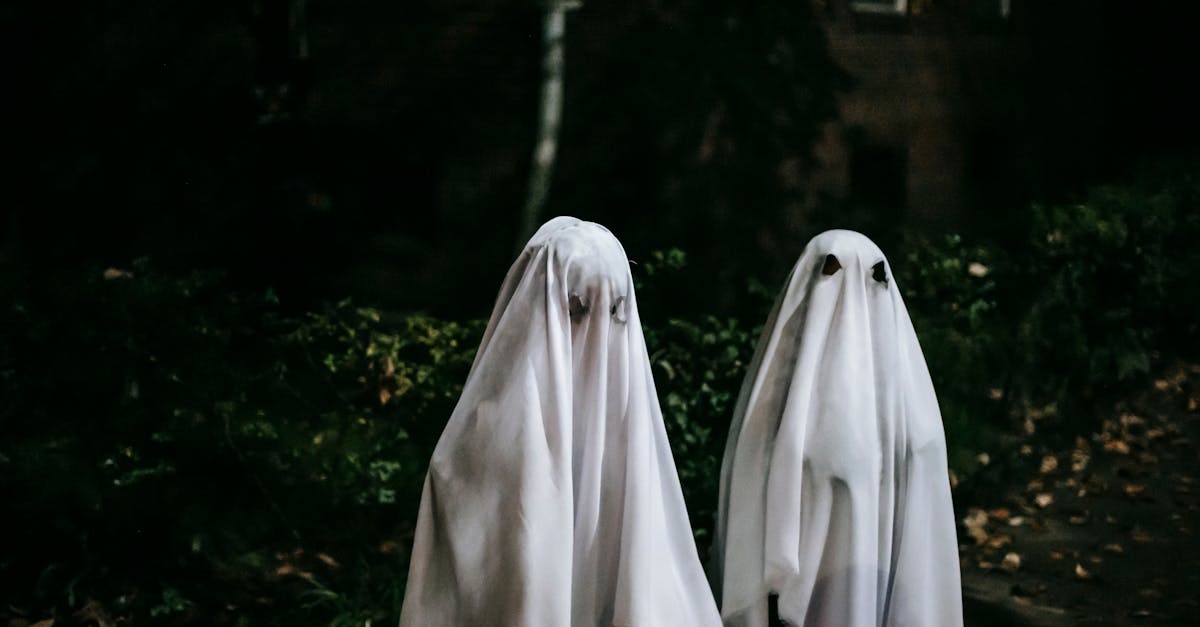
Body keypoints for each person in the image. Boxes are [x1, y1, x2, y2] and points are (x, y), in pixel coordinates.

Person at [400, 217, 722, 627]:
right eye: (578, 310)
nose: (599, 333)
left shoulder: (630, 429)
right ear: (543, 305)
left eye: (616, 310)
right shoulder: (489, 430)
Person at [713, 230, 963, 627]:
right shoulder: (773, 401)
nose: (848, 301)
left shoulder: (913, 414)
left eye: (871, 278)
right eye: (832, 273)